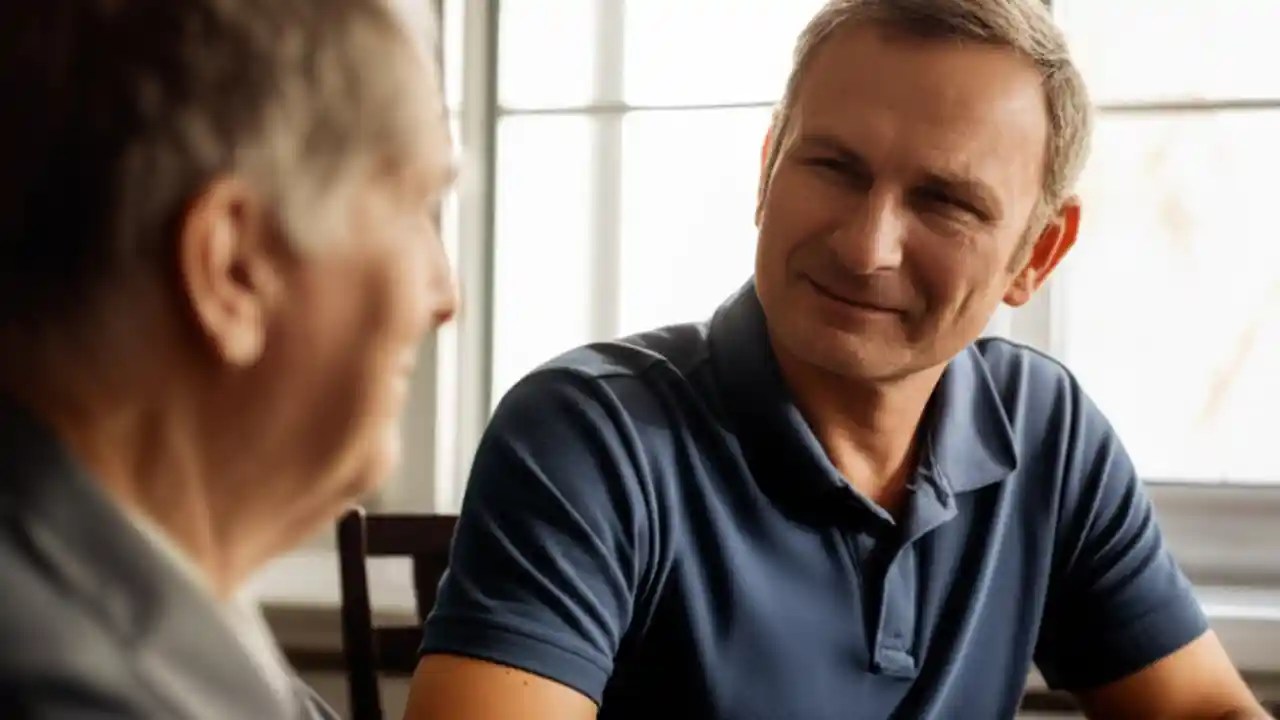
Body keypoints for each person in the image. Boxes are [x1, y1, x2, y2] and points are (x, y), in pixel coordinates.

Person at [406, 1, 1271, 718]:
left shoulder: (1047, 430)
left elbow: (1206, 709)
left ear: (1036, 254)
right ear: (767, 168)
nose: (865, 248)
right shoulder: (591, 435)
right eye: (833, 167)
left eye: (945, 201)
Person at [0, 0, 456, 717]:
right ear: (236, 269)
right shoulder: (79, 693)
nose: (445, 294)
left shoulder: (149, 621)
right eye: (416, 207)